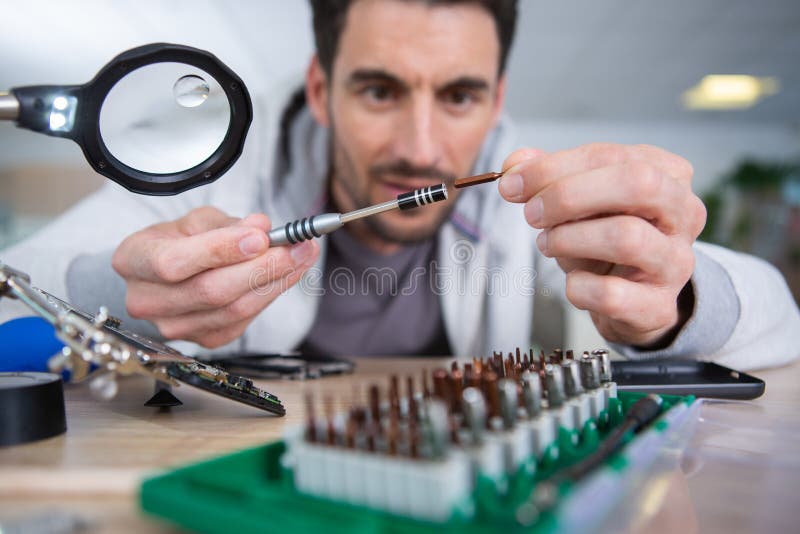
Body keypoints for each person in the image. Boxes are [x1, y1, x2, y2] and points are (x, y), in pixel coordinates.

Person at [1, 0, 798, 371]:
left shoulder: (533, 196)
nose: (421, 150)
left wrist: (675, 302)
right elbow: (10, 297)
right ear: (321, 89)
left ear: (496, 97)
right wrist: (127, 288)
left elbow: (781, 322)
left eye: (458, 96)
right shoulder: (213, 170)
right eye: (380, 91)